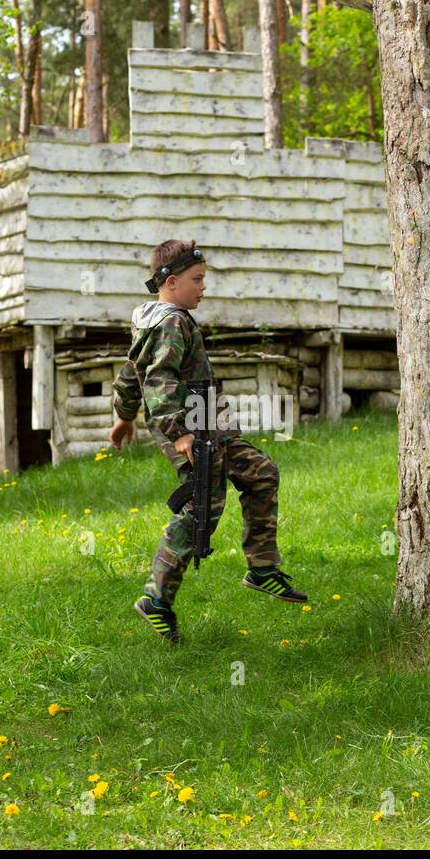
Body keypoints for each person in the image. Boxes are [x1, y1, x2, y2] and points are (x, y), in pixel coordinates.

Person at [108, 238, 308, 644]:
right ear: (170, 280)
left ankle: (262, 568)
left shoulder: (152, 318)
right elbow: (160, 381)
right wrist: (179, 433)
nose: (203, 287)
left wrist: (124, 417)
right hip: (191, 427)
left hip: (203, 420)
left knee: (262, 472)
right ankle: (156, 601)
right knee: (201, 510)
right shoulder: (171, 322)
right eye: (197, 280)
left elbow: (132, 374)